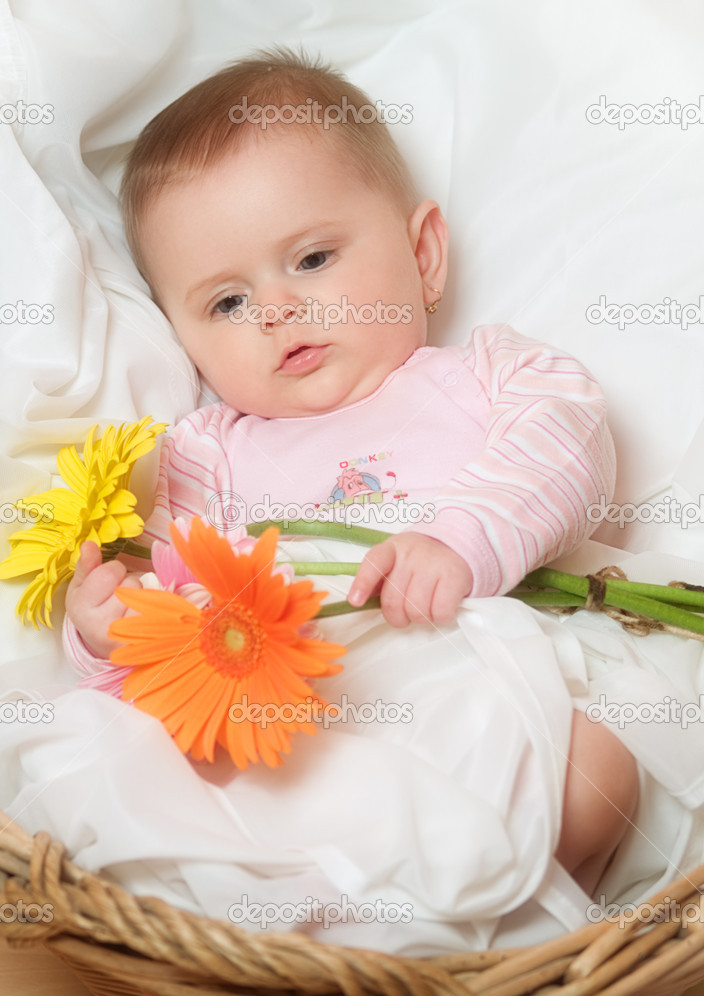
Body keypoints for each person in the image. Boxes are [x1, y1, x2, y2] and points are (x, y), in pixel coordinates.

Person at [65, 48, 637, 898]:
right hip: (307, 735)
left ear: (424, 254)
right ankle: (355, 921)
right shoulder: (206, 453)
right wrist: (104, 632)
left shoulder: (492, 376)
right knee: (185, 791)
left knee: (600, 776)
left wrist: (462, 539)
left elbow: (568, 447)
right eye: (227, 302)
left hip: (491, 685)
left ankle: (492, 914)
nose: (276, 310)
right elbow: (168, 608)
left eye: (311, 260)